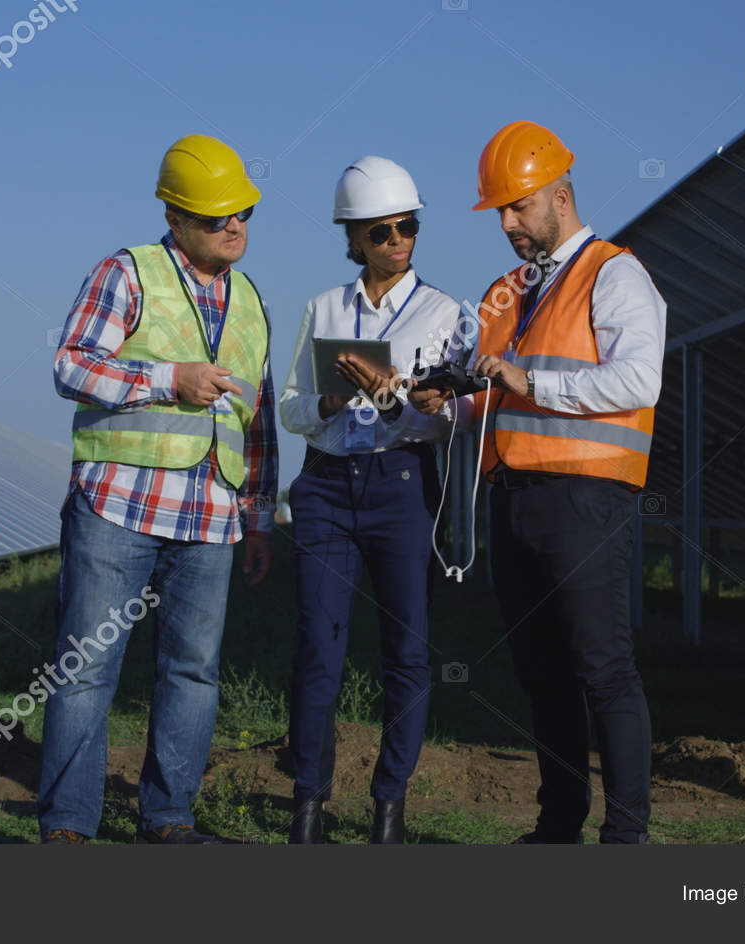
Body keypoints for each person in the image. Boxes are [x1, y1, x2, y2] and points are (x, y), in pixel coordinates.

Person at [411, 121, 667, 844]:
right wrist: (445, 404)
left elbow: (638, 380)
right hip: (514, 500)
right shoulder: (504, 294)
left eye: (518, 207)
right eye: (499, 210)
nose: (507, 224)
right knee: (542, 673)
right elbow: (492, 398)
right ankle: (558, 828)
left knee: (603, 668)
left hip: (587, 498)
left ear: (560, 196)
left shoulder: (615, 274)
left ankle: (626, 838)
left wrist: (532, 382)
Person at [38, 134, 277, 845]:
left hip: (210, 517)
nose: (233, 226)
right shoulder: (127, 273)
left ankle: (168, 822)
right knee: (86, 668)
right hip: (119, 504)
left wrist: (260, 517)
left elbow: (257, 421)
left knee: (193, 673)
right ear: (174, 217)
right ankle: (68, 828)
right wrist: (168, 378)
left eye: (243, 212)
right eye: (215, 216)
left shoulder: (252, 301)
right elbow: (71, 367)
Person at [278, 156, 461, 843]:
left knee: (406, 648)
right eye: (381, 231)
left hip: (400, 484)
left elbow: (447, 422)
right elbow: (291, 407)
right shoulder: (323, 308)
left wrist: (390, 402)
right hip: (326, 484)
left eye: (407, 226)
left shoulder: (446, 313)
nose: (397, 240)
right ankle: (308, 807)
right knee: (317, 647)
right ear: (353, 237)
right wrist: (328, 402)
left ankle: (389, 810)